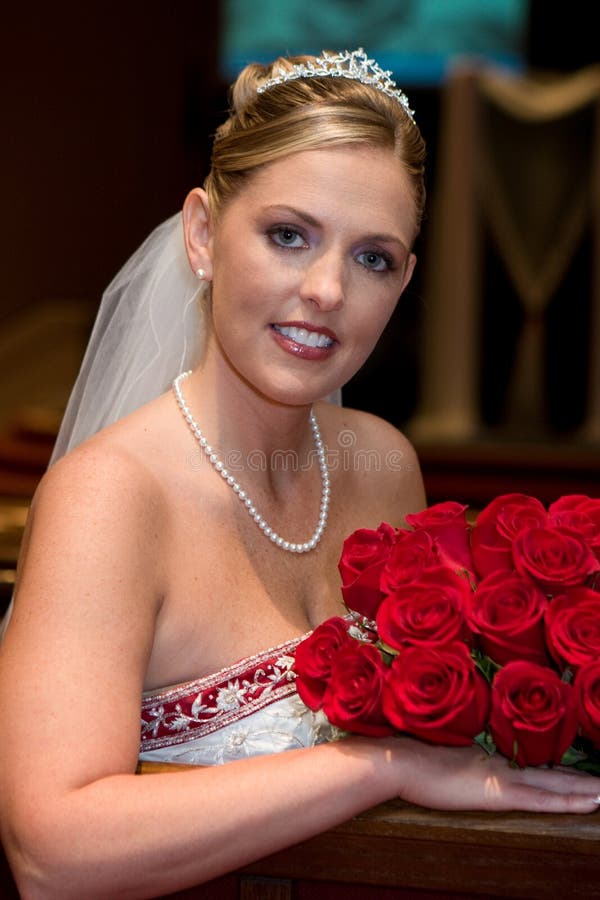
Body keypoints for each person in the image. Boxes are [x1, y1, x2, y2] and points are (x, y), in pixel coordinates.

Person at [0, 48, 598, 900]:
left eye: (373, 258)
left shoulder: (383, 464)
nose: (326, 290)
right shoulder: (113, 497)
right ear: (203, 235)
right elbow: (53, 853)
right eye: (290, 236)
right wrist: (377, 768)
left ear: (404, 283)